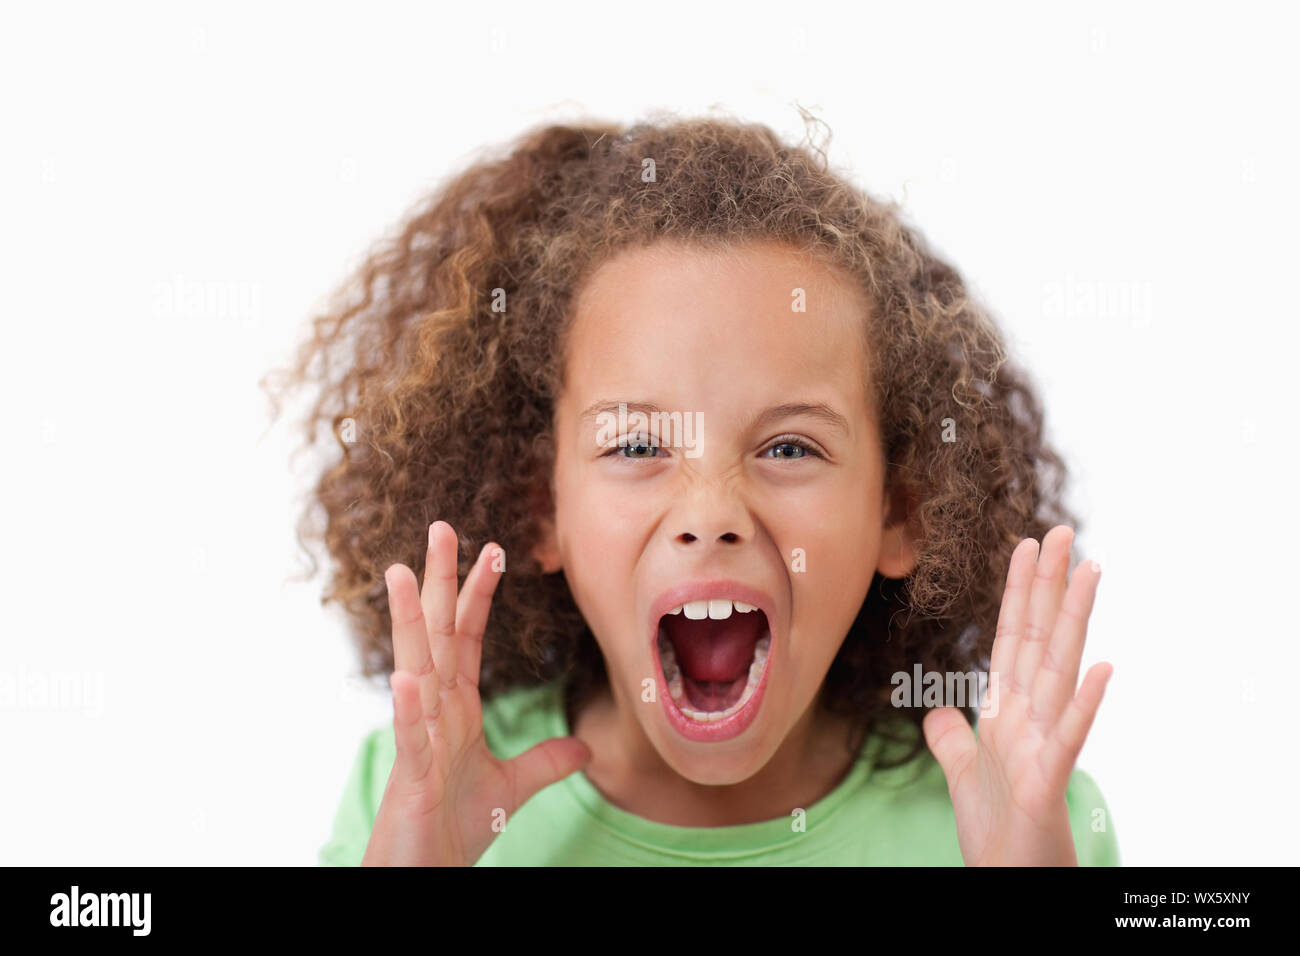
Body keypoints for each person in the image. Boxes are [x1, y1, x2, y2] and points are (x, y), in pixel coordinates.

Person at [263, 112, 1119, 865]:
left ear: (901, 506)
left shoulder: (1023, 814)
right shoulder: (416, 789)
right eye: (637, 443)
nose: (711, 516)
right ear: (540, 503)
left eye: (788, 448)